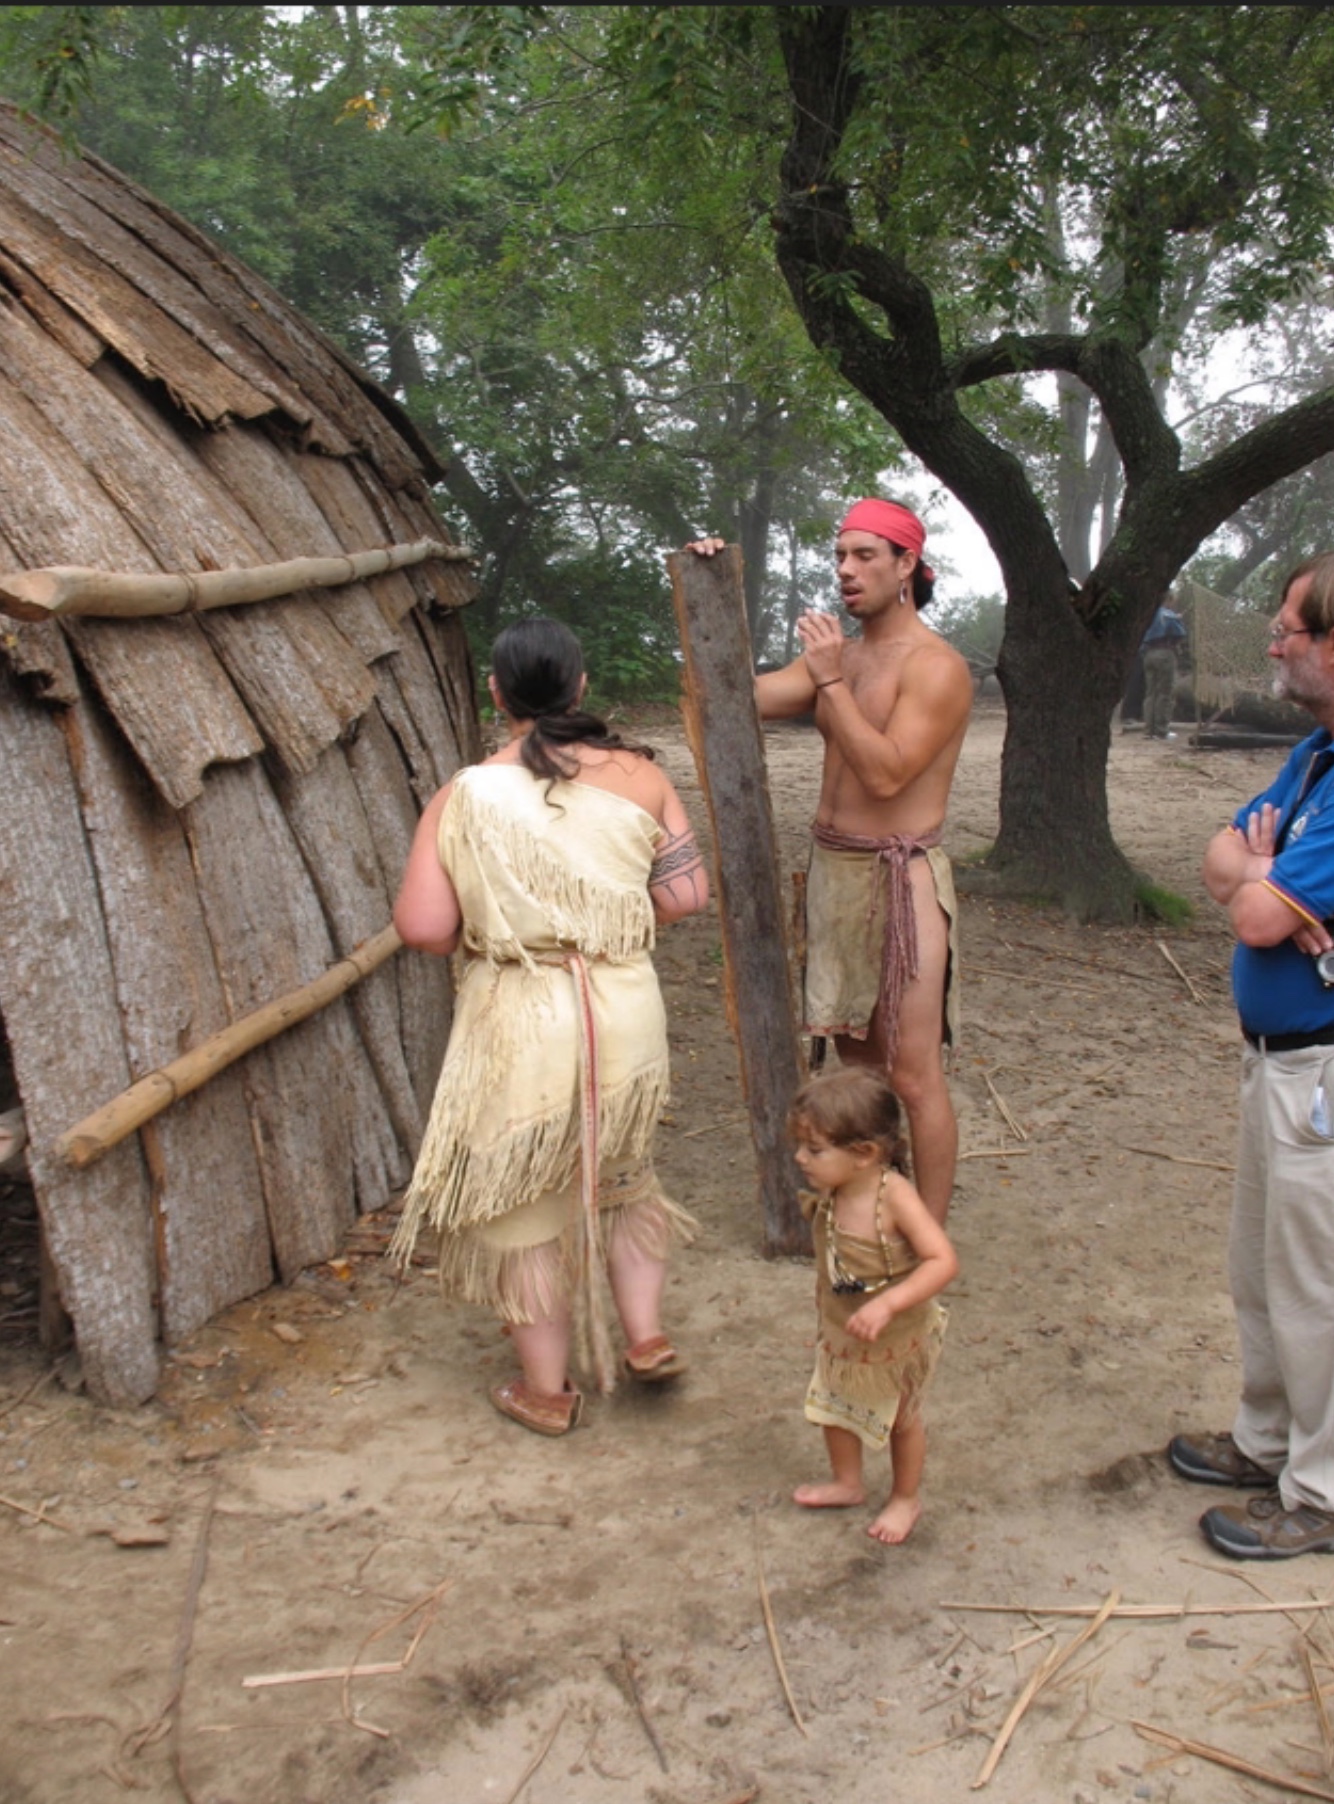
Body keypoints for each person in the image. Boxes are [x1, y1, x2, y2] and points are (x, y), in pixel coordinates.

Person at [390, 618, 710, 1436]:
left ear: (497, 695)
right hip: (623, 1005)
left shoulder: (463, 794)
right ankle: (645, 1336)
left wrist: (509, 927)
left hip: (520, 1016)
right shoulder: (643, 777)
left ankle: (547, 1390)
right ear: (581, 687)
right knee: (625, 1172)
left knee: (524, 1203)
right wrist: (600, 924)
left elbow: (423, 927)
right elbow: (684, 897)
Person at [688, 500, 972, 1222]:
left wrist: (830, 681)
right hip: (835, 875)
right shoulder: (838, 657)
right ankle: (870, 1213)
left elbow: (885, 775)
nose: (846, 570)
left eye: (866, 555)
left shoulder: (936, 666)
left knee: (911, 1075)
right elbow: (725, 701)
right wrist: (709, 590)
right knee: (858, 1070)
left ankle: (927, 1236)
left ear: (907, 564)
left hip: (900, 881)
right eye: (840, 554)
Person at [1169, 552, 1334, 1557]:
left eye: (1287, 628)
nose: (1270, 642)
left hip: (1317, 1071)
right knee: (1259, 1267)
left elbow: (1259, 914)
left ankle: (1317, 1492)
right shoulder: (1315, 754)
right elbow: (1219, 863)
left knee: (1315, 1282)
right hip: (1272, 1062)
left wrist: (1261, 879)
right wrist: (1258, 874)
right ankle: (1265, 1439)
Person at [789, 1067, 958, 1544]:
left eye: (814, 1149)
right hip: (843, 1330)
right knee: (833, 1407)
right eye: (801, 1146)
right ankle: (848, 1482)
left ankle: (906, 1497)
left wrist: (889, 1305)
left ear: (864, 1154)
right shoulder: (835, 1185)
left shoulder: (894, 1198)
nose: (800, 1158)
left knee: (902, 1418)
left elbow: (942, 1260)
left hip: (896, 1337)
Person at [1139, 598, 1187, 739]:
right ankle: (1161, 730)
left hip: (1148, 654)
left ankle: (1148, 730)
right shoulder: (1168, 615)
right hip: (1164, 653)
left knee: (1150, 693)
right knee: (1165, 693)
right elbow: (1180, 634)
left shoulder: (1146, 615)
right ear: (1168, 600)